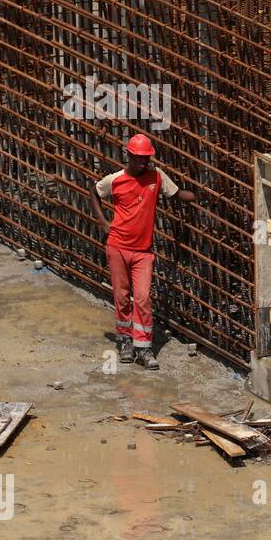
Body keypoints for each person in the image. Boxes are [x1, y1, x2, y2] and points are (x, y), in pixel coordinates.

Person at [90, 134, 195, 370]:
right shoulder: (115, 180)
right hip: (118, 246)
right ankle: (126, 341)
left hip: (143, 251)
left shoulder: (157, 176)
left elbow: (176, 194)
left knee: (143, 297)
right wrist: (104, 223)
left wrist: (196, 197)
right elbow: (94, 193)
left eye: (145, 158)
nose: (142, 163)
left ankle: (143, 347)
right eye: (138, 158)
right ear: (128, 156)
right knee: (121, 296)